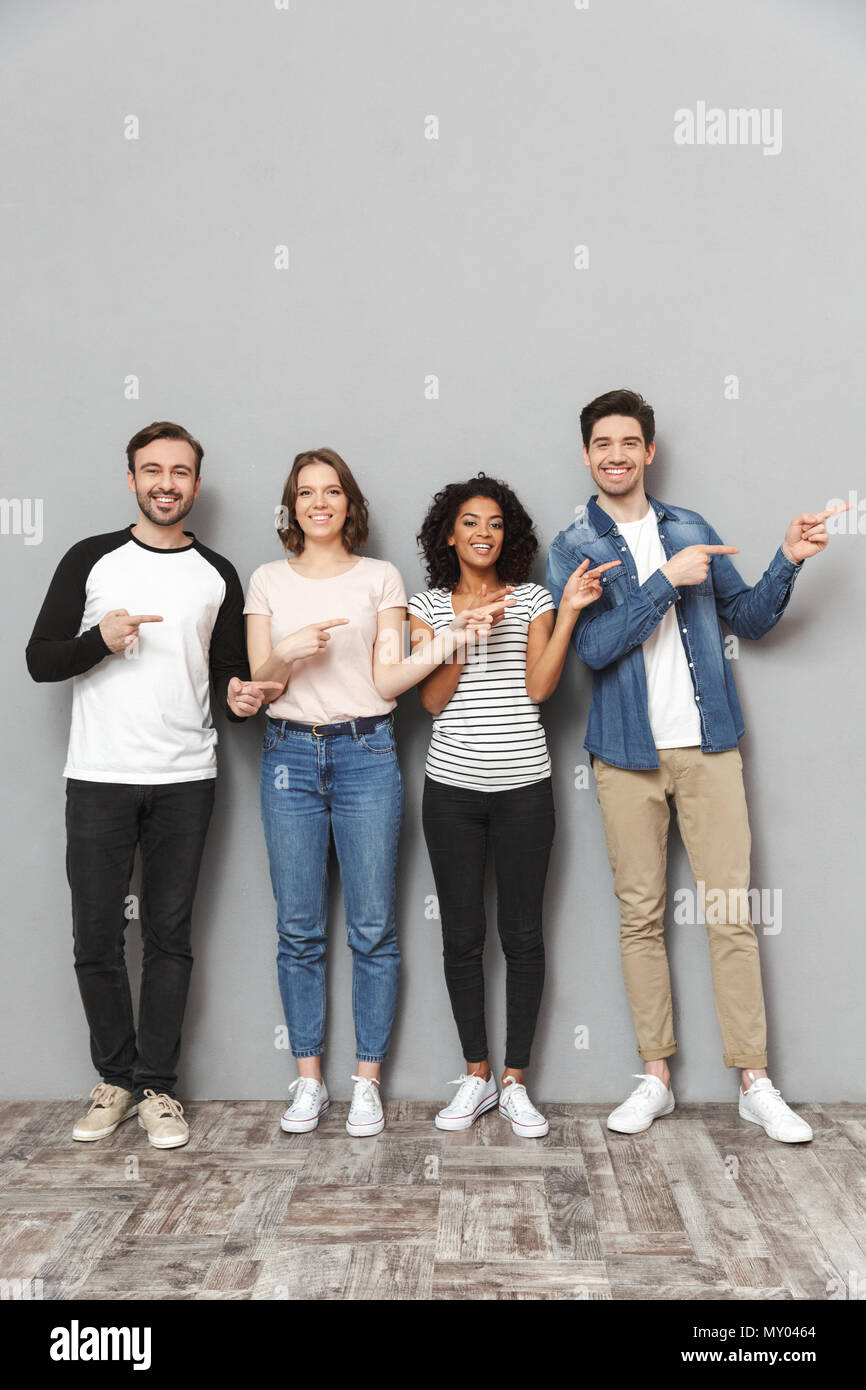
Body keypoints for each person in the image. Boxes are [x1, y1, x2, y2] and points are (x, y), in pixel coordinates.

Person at [546, 388, 848, 1143]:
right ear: (586, 455)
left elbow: (746, 618)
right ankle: (655, 1078)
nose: (616, 454)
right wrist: (661, 583)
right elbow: (586, 649)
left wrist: (788, 560)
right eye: (602, 444)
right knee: (640, 918)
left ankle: (754, 1081)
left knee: (729, 914)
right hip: (625, 754)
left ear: (649, 452)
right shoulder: (572, 545)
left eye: (629, 442)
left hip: (709, 749)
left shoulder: (690, 528)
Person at [244, 449, 510, 1138]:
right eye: (306, 492)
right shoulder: (267, 580)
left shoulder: (380, 577)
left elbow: (391, 683)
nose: (320, 502)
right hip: (288, 758)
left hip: (366, 754)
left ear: (349, 503)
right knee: (298, 929)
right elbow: (257, 684)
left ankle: (366, 1082)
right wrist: (288, 651)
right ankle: (308, 1083)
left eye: (332, 491)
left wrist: (454, 637)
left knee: (372, 928)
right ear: (292, 506)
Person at [26, 422, 275, 1150]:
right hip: (100, 777)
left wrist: (240, 697)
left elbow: (228, 674)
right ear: (131, 479)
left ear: (196, 484)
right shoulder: (90, 559)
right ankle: (115, 1079)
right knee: (97, 936)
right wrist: (97, 643)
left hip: (186, 780)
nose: (166, 482)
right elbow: (41, 660)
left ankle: (159, 1088)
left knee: (170, 937)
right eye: (152, 470)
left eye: (180, 471)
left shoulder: (218, 573)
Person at [408, 475, 618, 1137]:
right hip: (452, 793)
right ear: (450, 533)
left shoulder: (532, 598)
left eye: (495, 524)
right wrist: (464, 632)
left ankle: (516, 1083)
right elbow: (432, 701)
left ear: (509, 537)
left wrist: (572, 610)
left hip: (526, 788)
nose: (482, 533)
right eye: (470, 522)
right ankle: (474, 1076)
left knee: (523, 936)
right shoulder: (426, 606)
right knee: (462, 937)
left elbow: (540, 687)